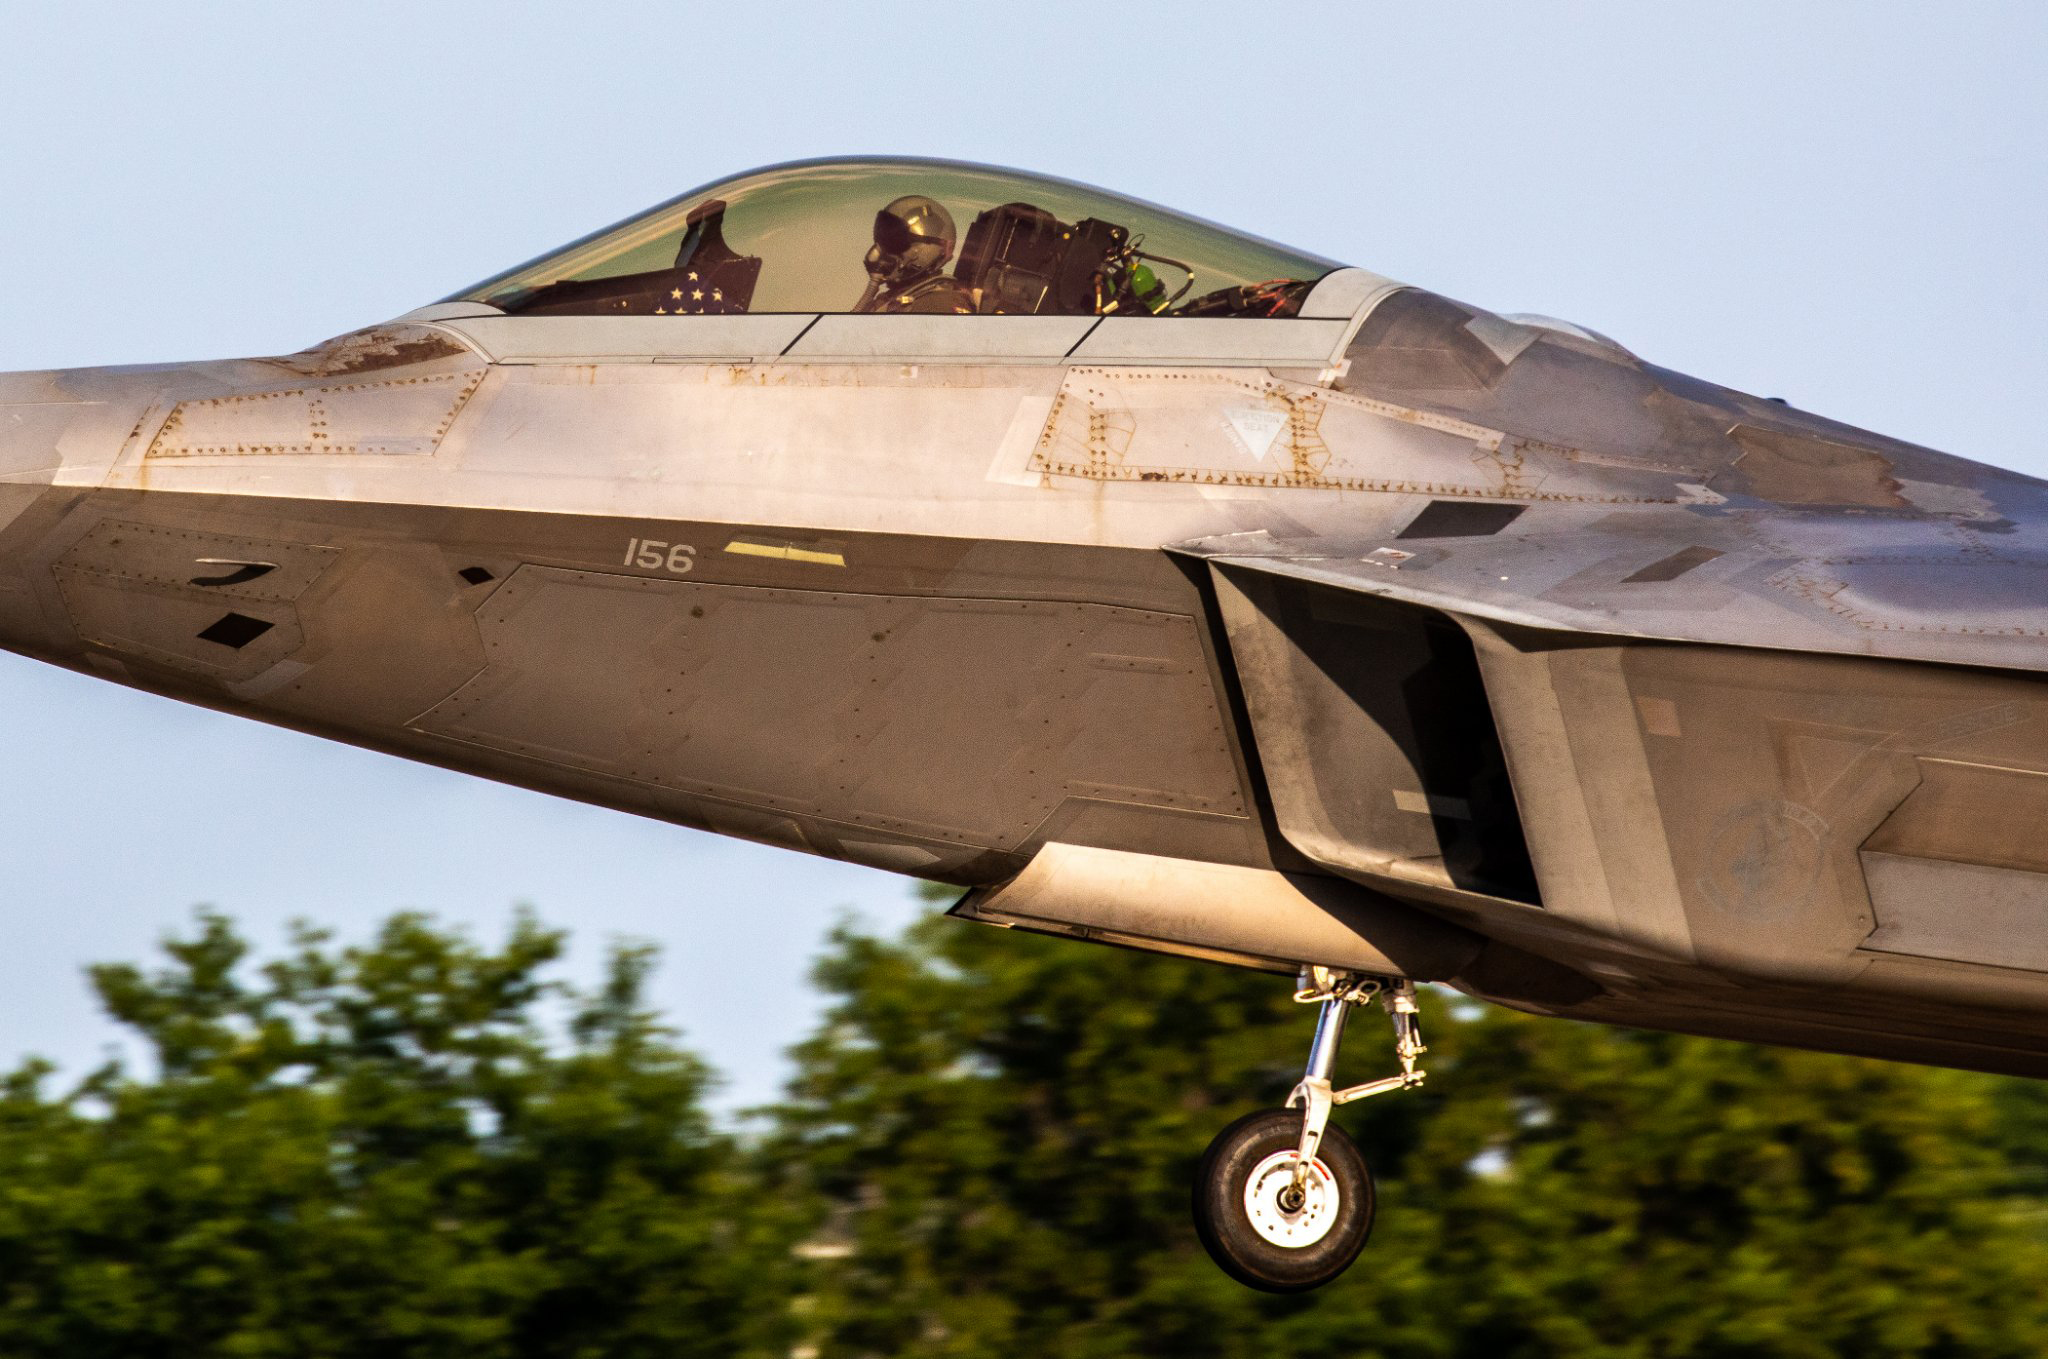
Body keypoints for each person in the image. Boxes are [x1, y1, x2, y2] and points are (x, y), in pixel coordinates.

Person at [853, 195, 976, 314]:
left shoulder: (939, 303)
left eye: (894, 241)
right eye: (882, 237)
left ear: (922, 251)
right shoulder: (893, 298)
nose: (879, 250)